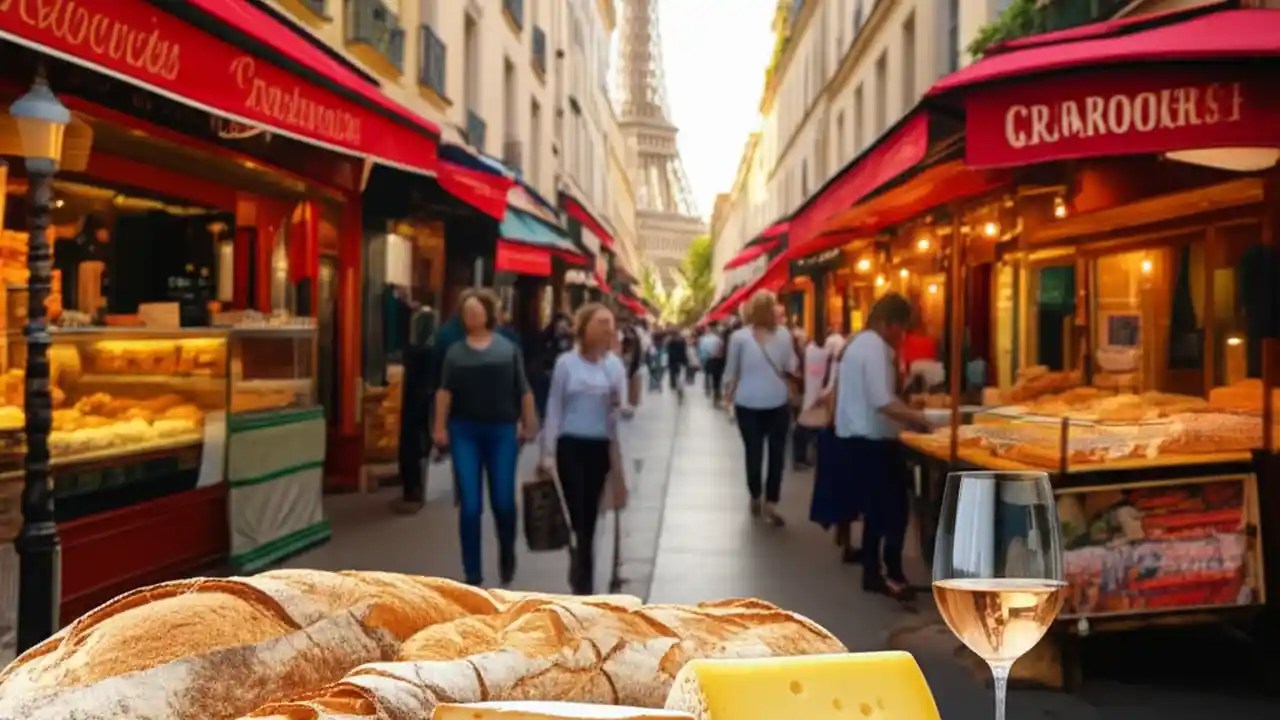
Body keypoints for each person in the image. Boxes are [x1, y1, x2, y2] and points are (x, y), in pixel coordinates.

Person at [433, 289, 539, 587]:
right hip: (464, 431)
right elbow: (445, 392)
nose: (472, 317)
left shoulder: (507, 348)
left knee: (504, 501)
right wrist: (439, 427)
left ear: (488, 313)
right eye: (467, 312)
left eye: (476, 311)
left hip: (502, 431)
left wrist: (529, 422)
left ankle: (507, 551)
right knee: (470, 505)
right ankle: (472, 574)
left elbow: (523, 389)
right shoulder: (455, 353)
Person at [835, 293, 929, 599]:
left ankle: (873, 570)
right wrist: (920, 419)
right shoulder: (875, 348)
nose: (902, 336)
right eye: (901, 329)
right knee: (894, 509)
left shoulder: (857, 344)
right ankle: (888, 571)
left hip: (857, 437)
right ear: (888, 323)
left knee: (877, 509)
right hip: (873, 440)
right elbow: (880, 398)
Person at [542, 303, 628, 595]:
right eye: (601, 322)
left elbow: (621, 411)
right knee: (575, 509)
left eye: (610, 324)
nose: (607, 328)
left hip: (599, 446)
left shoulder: (614, 366)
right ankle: (579, 562)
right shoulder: (566, 364)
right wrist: (548, 452)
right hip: (570, 444)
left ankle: (584, 575)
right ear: (585, 326)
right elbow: (555, 406)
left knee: (590, 515)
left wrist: (619, 405)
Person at [724, 290, 799, 527]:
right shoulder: (784, 335)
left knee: (753, 453)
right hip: (777, 403)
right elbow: (791, 365)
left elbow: (731, 371)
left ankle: (755, 494)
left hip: (747, 404)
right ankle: (771, 504)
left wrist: (727, 394)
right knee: (776, 456)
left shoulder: (739, 338)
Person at [793, 328, 830, 471]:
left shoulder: (810, 352)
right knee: (811, 429)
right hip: (818, 397)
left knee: (803, 430)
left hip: (812, 397)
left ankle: (801, 458)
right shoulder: (825, 354)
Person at [698, 324, 726, 404]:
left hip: (709, 360)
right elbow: (721, 350)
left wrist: (707, 356)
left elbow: (702, 350)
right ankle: (717, 393)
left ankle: (708, 389)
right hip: (718, 361)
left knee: (708, 374)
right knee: (717, 378)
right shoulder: (719, 339)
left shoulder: (704, 339)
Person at [665, 328, 689, 397]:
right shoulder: (682, 340)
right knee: (680, 373)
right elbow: (684, 350)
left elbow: (668, 351)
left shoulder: (670, 341)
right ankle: (679, 386)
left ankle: (674, 385)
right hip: (681, 360)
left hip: (673, 360)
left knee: (673, 373)